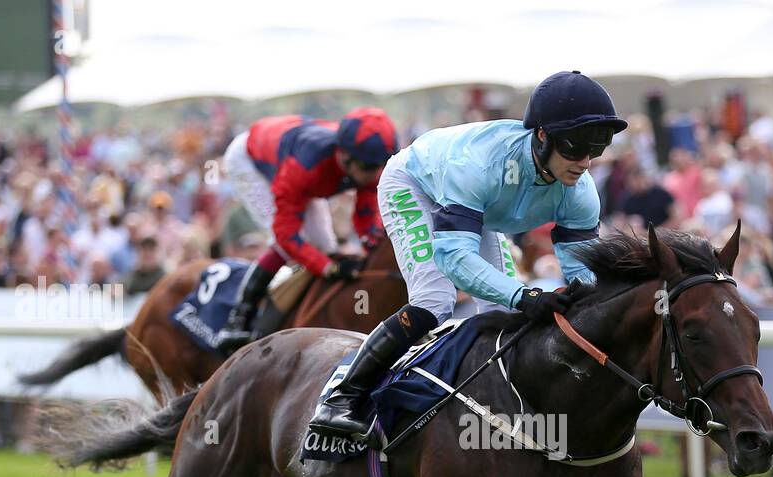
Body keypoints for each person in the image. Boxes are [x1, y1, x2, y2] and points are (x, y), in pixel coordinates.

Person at [309, 70, 625, 440]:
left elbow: (581, 276)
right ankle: (342, 396)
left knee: (501, 313)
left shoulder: (581, 192)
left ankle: (491, 408)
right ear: (542, 136)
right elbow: (455, 259)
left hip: (481, 206)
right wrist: (527, 295)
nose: (585, 161)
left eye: (596, 148)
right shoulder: (481, 165)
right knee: (435, 299)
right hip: (415, 183)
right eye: (575, 147)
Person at [215, 108, 399, 352]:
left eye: (381, 165)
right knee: (292, 245)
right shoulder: (305, 167)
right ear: (345, 156)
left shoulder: (363, 162)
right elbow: (286, 234)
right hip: (250, 160)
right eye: (369, 167)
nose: (376, 175)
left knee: (327, 246)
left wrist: (369, 246)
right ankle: (239, 318)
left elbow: (365, 214)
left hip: (292, 151)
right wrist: (328, 267)